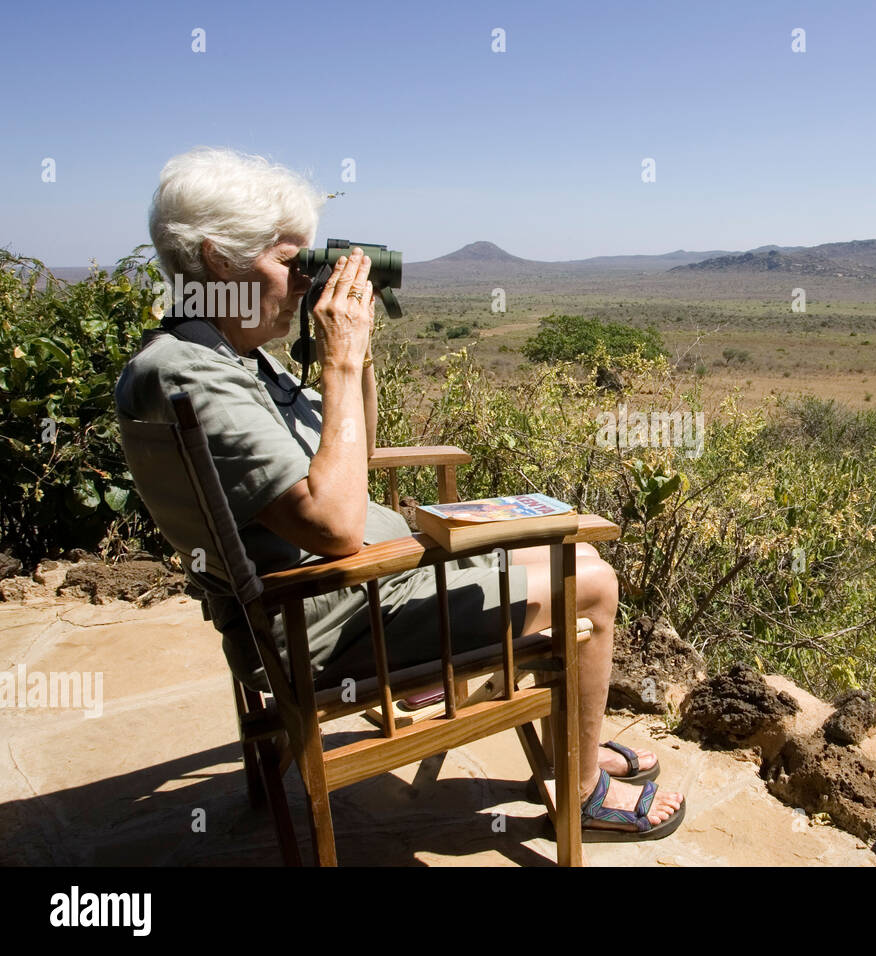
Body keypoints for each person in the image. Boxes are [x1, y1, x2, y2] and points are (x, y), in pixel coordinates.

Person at [115, 147, 683, 841]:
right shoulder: (194, 374)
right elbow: (333, 526)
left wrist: (360, 353)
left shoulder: (213, 354)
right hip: (342, 621)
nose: (302, 284)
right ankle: (584, 785)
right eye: (288, 262)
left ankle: (574, 741)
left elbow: (357, 454)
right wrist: (340, 356)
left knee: (538, 541)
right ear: (219, 261)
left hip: (338, 601)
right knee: (591, 580)